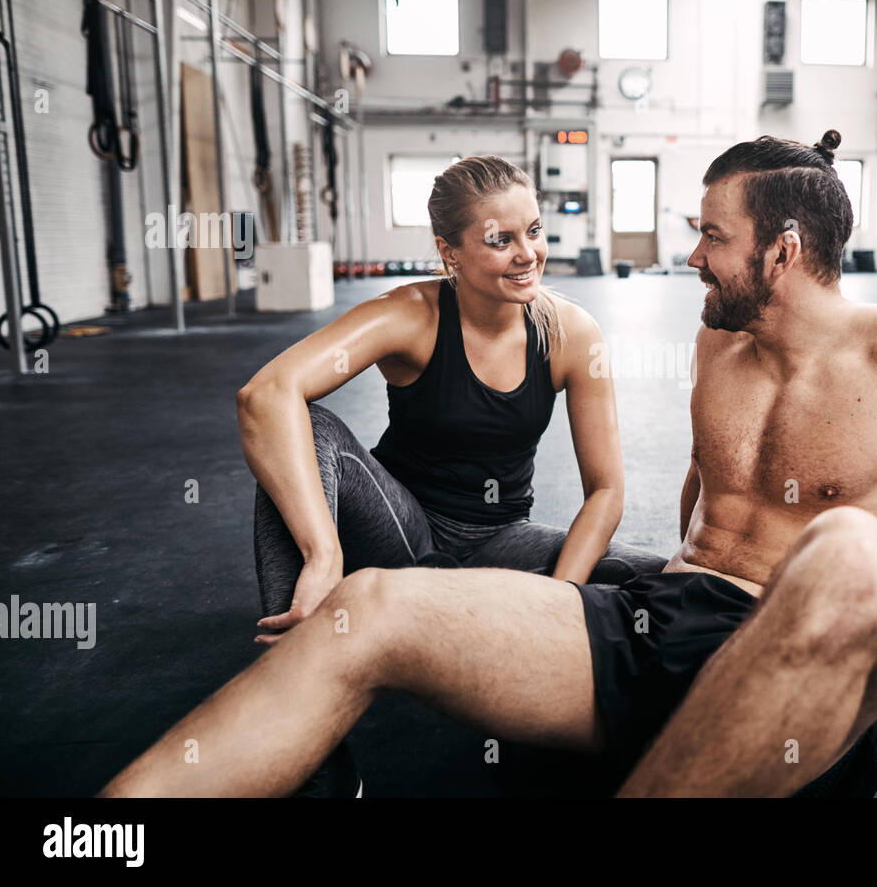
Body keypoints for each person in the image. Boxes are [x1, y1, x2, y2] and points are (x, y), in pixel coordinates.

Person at [102, 131, 877, 798]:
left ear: (780, 251)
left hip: (795, 657)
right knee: (375, 605)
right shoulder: (716, 341)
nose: (687, 253)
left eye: (709, 235)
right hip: (654, 627)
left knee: (856, 556)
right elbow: (697, 503)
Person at [239, 155, 661, 795]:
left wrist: (559, 597)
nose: (528, 255)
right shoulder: (409, 315)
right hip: (398, 532)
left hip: (497, 542)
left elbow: (605, 491)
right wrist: (323, 552)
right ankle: (317, 759)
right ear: (450, 251)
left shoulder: (571, 332)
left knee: (659, 581)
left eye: (535, 231)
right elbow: (265, 394)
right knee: (305, 431)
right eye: (500, 239)